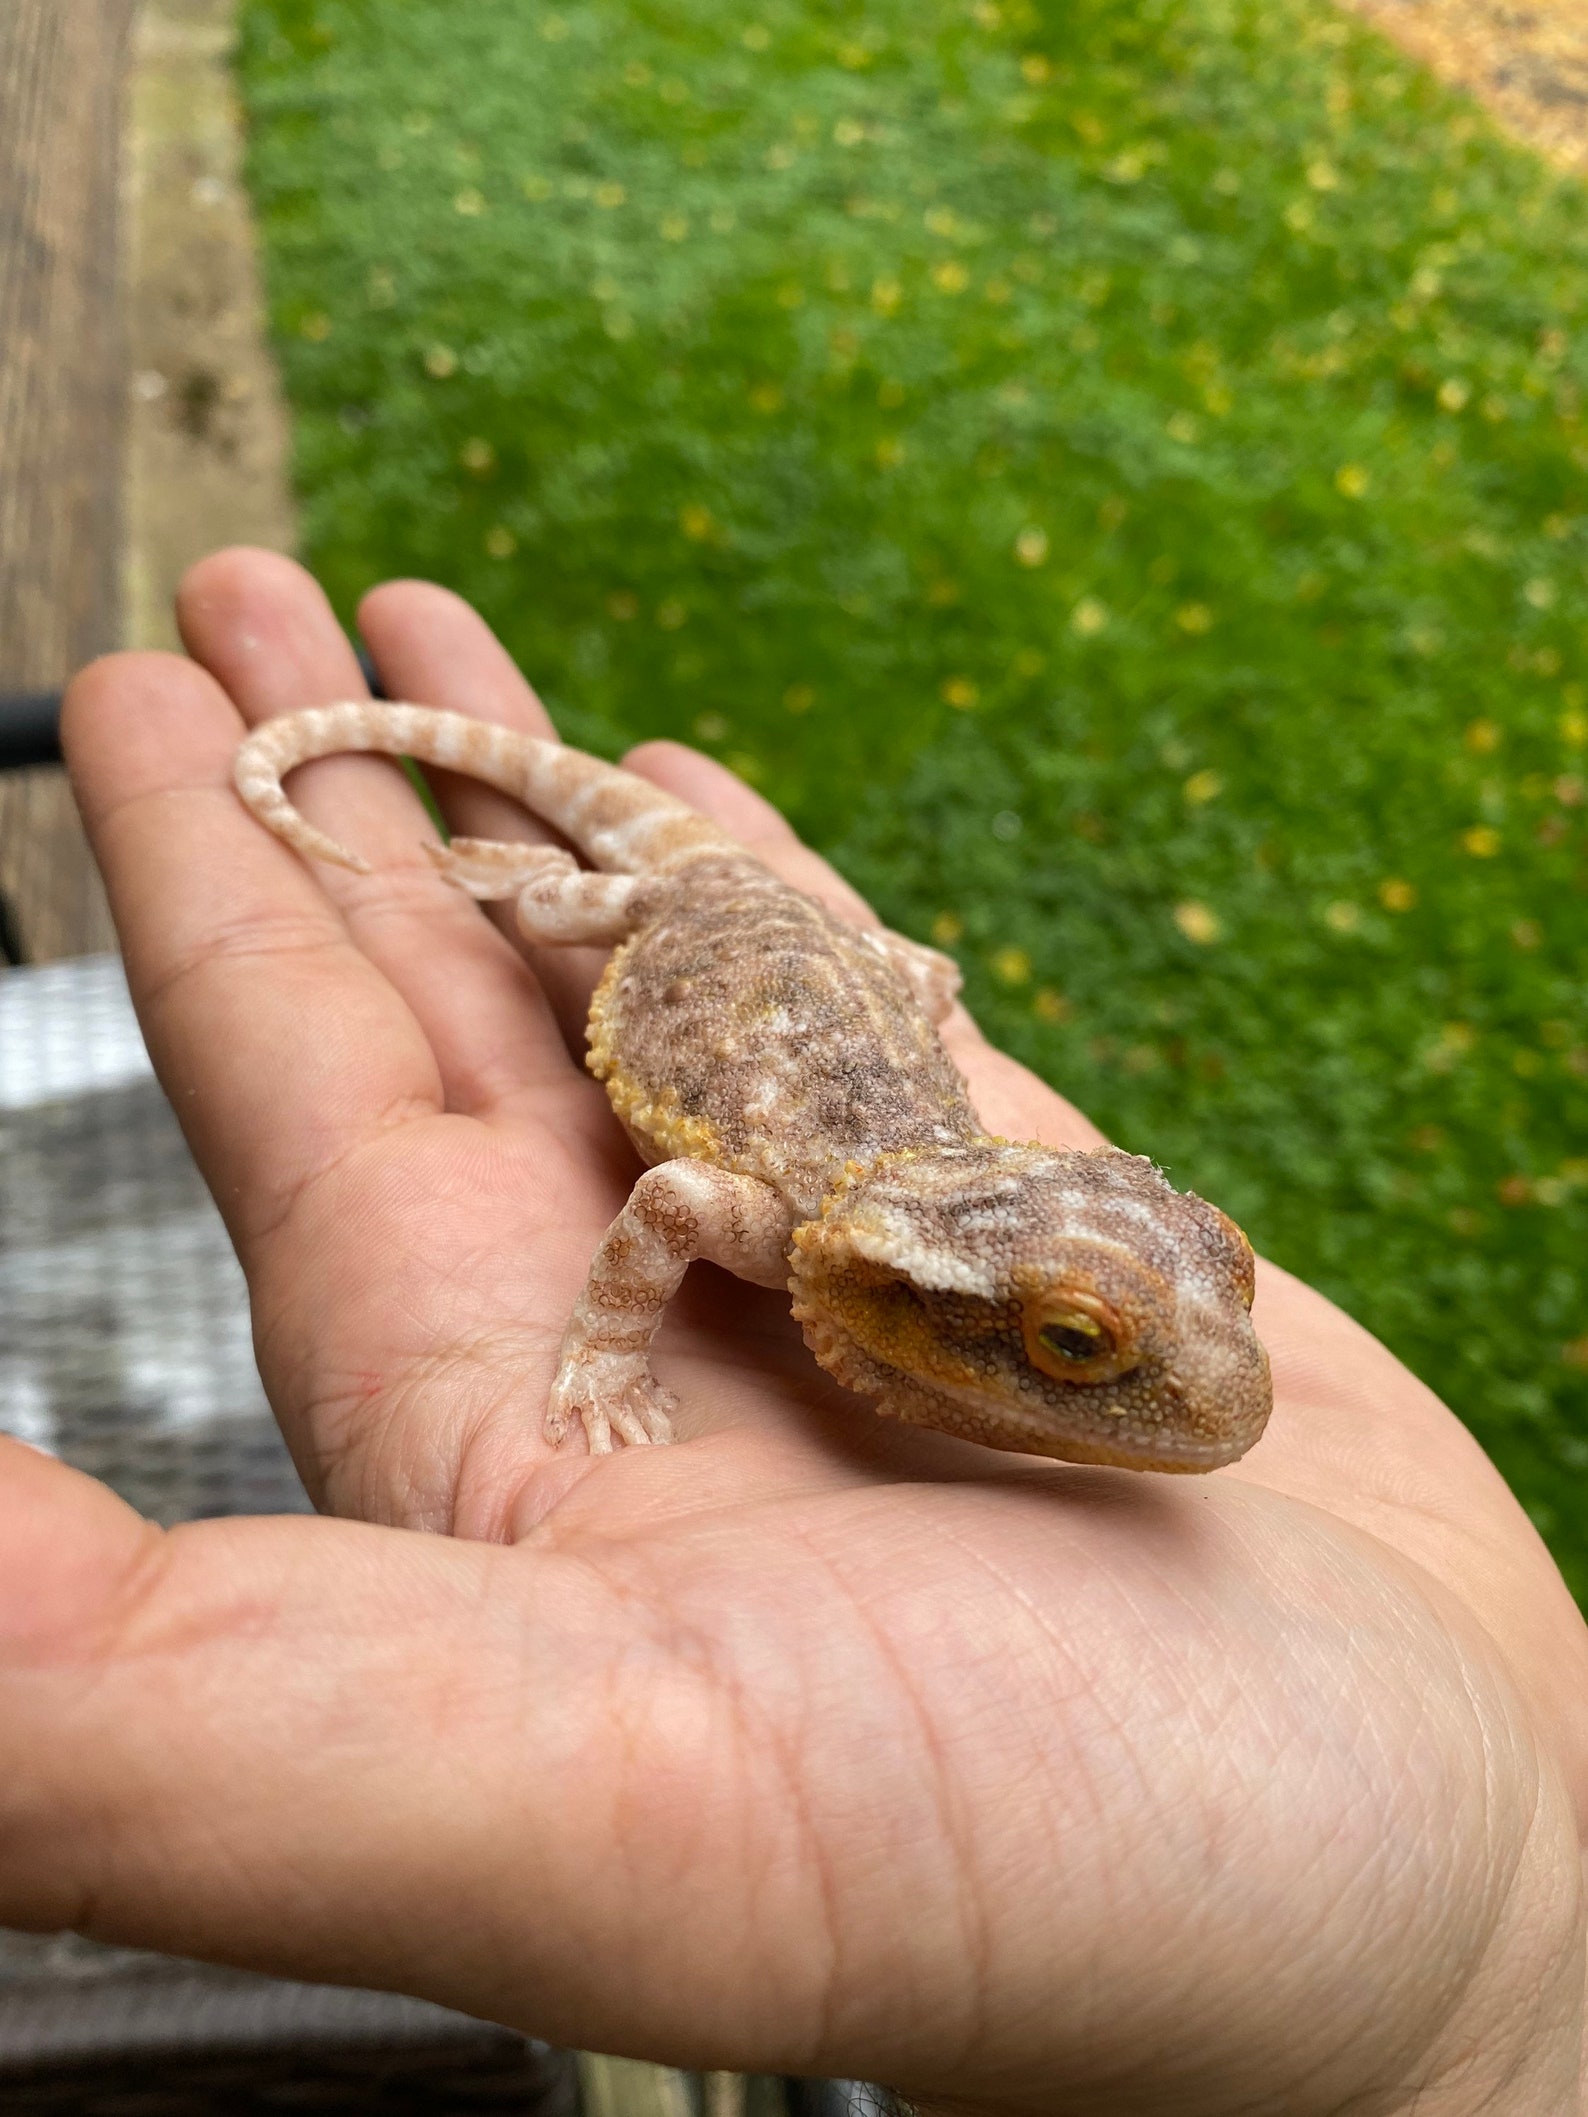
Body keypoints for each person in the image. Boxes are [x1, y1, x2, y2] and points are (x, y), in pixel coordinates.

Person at [5, 546, 1585, 2115]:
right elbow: (679, 1197)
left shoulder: (906, 1224)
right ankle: (528, 873)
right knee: (547, 898)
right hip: (674, 912)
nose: (1207, 1387)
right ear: (930, 1297)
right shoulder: (790, 1226)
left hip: (815, 971)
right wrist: (606, 1346)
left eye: (1207, 1274)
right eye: (1084, 1346)